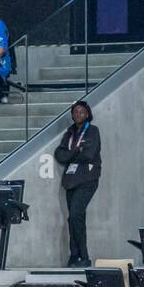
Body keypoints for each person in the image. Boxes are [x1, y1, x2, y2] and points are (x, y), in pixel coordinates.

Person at [53, 99, 101, 268]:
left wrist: (70, 154)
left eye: (81, 112)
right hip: (71, 181)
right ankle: (76, 256)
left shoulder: (92, 131)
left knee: (75, 215)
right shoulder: (70, 132)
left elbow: (89, 155)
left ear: (87, 114)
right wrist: (75, 151)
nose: (78, 114)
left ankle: (82, 255)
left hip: (87, 179)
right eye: (75, 112)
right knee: (74, 218)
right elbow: (59, 155)